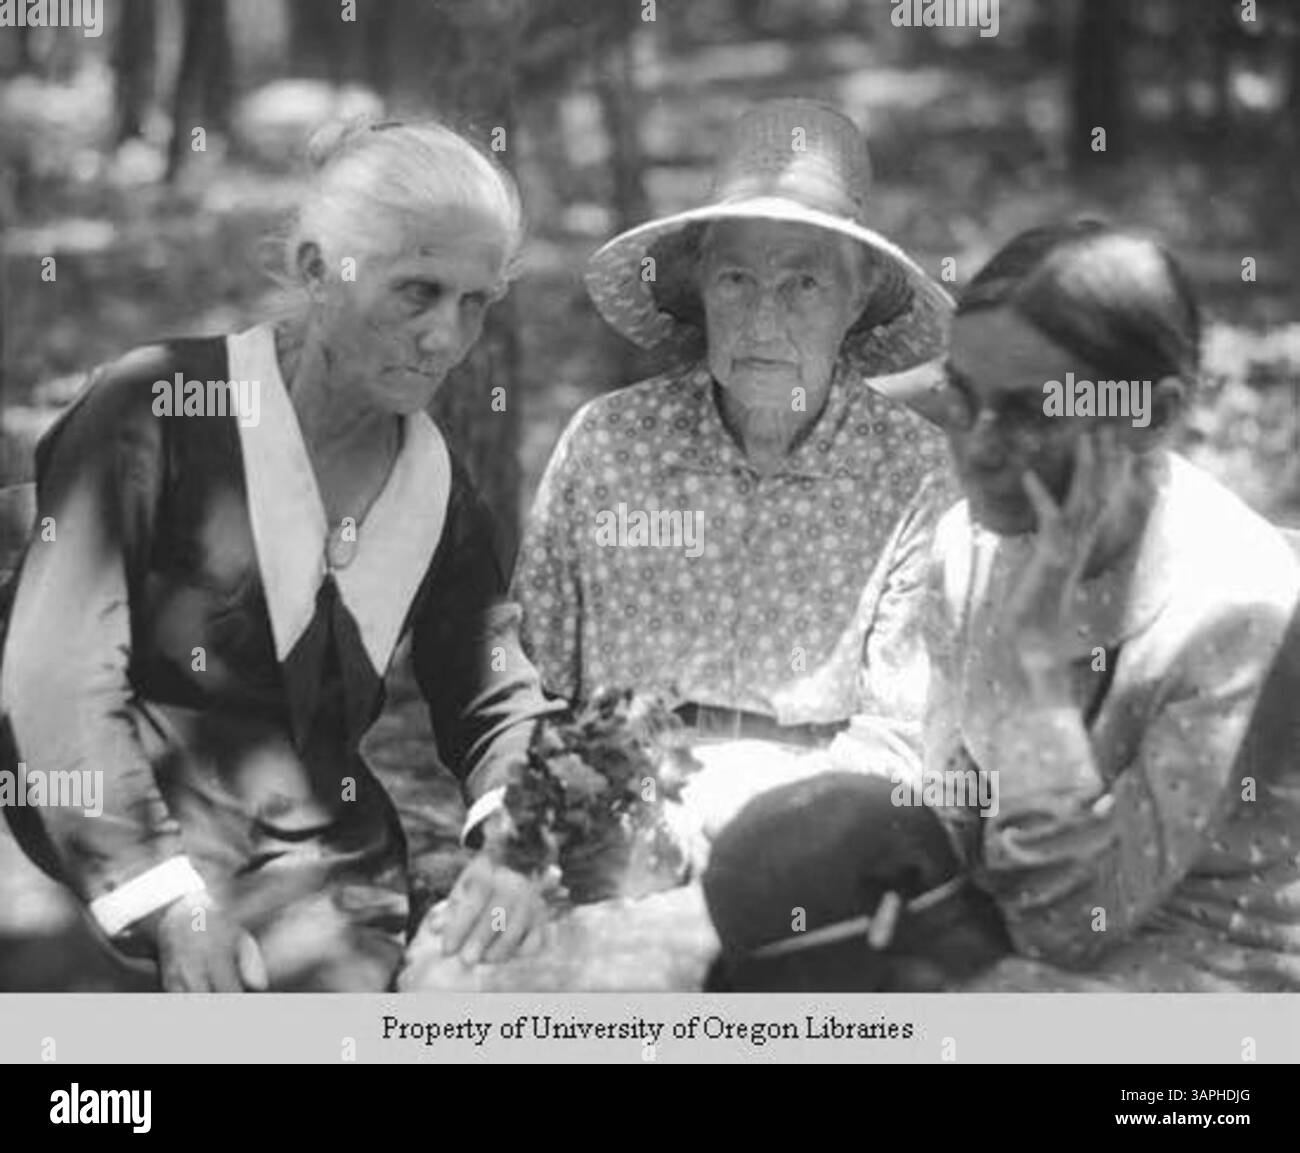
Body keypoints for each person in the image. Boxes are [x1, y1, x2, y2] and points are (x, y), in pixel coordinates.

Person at [0, 120, 559, 991]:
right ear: (315, 271)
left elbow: (495, 697)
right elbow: (54, 676)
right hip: (86, 847)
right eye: (417, 290)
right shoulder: (154, 409)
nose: (446, 338)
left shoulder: (435, 488)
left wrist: (517, 841)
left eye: (474, 301)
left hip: (311, 871)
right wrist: (167, 901)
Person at [510, 98, 958, 832]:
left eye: (804, 284)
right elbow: (536, 682)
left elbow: (904, 741)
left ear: (859, 297)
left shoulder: (911, 470)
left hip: (820, 837)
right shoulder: (610, 444)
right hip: (618, 820)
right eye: (735, 280)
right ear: (700, 287)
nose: (762, 317)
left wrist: (745, 817)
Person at [924, 221, 1300, 991]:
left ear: (1153, 414)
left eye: (1031, 412)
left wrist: (1034, 658)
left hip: (1212, 976)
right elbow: (951, 802)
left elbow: (1070, 926)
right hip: (1020, 938)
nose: (981, 447)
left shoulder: (1234, 605)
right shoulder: (969, 546)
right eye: (964, 399)